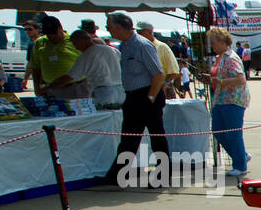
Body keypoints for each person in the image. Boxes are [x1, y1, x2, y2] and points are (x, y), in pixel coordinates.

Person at [104, 11, 169, 184]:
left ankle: (163, 175)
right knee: (128, 138)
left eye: (108, 27)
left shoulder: (142, 45)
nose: (108, 30)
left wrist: (149, 98)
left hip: (148, 95)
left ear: (118, 27)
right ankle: (118, 175)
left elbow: (158, 75)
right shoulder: (124, 46)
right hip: (132, 96)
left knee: (157, 137)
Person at [201, 27, 251, 178]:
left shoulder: (231, 57)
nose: (212, 45)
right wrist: (210, 79)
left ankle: (240, 165)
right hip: (220, 100)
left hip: (232, 100)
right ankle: (241, 155)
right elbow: (220, 77)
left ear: (223, 41)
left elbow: (241, 79)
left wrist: (221, 81)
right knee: (217, 131)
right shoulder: (220, 57)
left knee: (233, 133)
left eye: (214, 42)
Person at [47, 29, 124, 107]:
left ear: (82, 40)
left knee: (104, 115)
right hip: (120, 90)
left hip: (103, 92)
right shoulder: (111, 50)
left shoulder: (86, 56)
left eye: (75, 43)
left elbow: (69, 77)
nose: (76, 48)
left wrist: (49, 87)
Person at [30, 16, 80, 96]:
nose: (52, 37)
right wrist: (37, 89)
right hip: (49, 88)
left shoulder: (74, 40)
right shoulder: (40, 43)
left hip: (75, 87)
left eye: (54, 34)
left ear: (60, 28)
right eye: (49, 35)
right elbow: (36, 67)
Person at [136, 21, 181, 99]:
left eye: (140, 32)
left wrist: (164, 86)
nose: (138, 35)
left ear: (149, 32)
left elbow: (174, 72)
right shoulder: (139, 47)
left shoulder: (162, 47)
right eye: (137, 32)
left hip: (163, 89)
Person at [20, 19, 41, 90]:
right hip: (37, 78)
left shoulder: (44, 42)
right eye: (25, 29)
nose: (27, 31)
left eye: (29, 29)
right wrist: (25, 79)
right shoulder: (31, 45)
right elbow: (30, 63)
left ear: (37, 30)